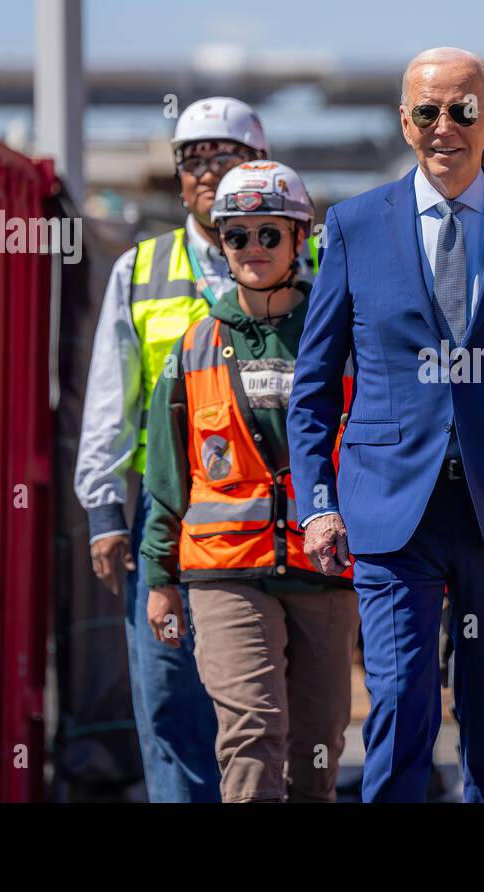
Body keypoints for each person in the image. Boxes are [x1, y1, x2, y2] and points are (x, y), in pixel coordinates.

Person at [287, 47, 484, 803]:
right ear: (405, 122)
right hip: (391, 509)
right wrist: (320, 502)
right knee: (400, 707)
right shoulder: (352, 227)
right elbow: (313, 390)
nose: (446, 127)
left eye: (463, 110)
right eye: (428, 111)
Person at [139, 161, 358, 803]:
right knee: (251, 733)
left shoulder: (344, 338)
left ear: (300, 238)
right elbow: (167, 474)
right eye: (238, 235)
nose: (254, 248)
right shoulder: (194, 347)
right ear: (222, 244)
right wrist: (158, 579)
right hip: (225, 571)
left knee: (317, 750)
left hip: (325, 569)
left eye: (271, 233)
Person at [74, 97, 269, 802]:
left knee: (258, 713)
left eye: (226, 156)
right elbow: (109, 398)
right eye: (194, 159)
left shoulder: (306, 255)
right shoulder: (141, 268)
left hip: (274, 523)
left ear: (261, 165)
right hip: (170, 522)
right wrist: (103, 512)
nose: (208, 172)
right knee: (169, 702)